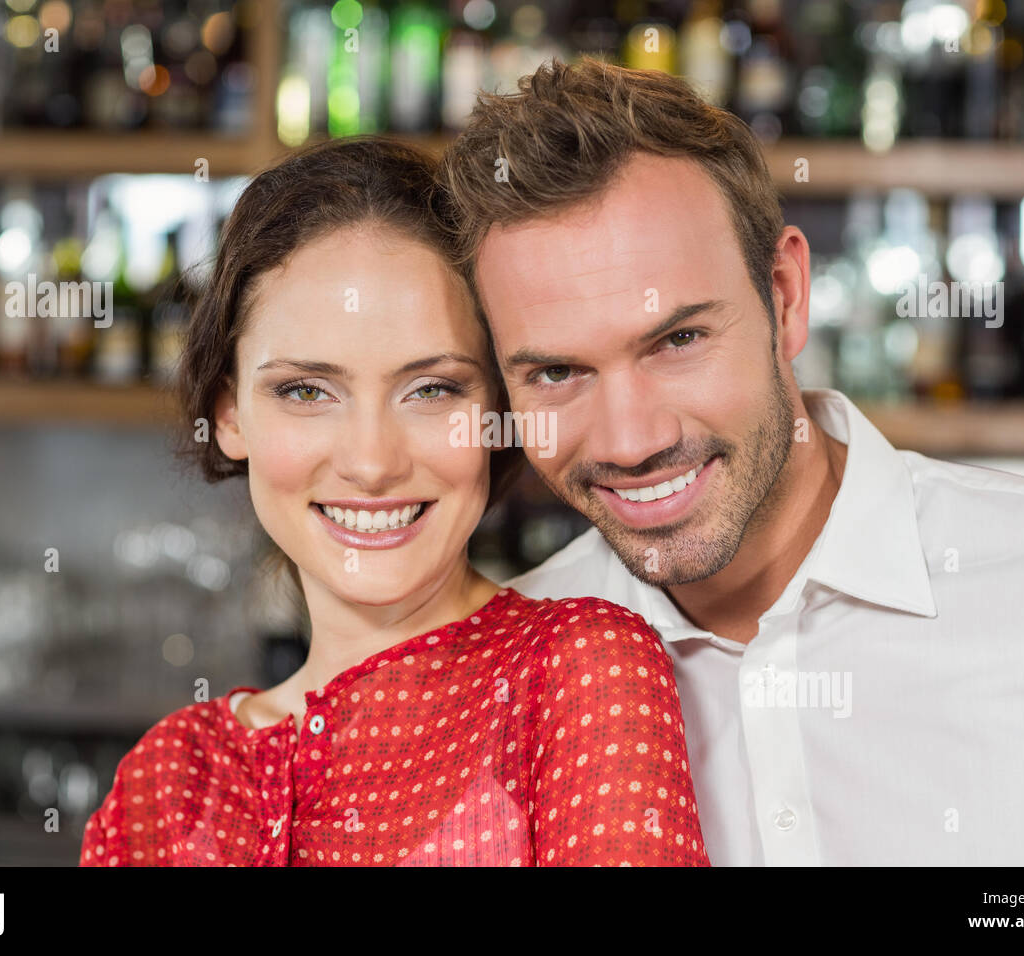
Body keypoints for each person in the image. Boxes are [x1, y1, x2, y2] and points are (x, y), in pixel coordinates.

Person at [439, 58, 1024, 865]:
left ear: (784, 296)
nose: (629, 441)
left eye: (679, 341)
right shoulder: (494, 678)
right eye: (557, 373)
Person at [80, 136, 708, 867]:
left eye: (432, 389)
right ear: (229, 413)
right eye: (306, 391)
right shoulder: (168, 779)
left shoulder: (579, 675)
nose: (372, 463)